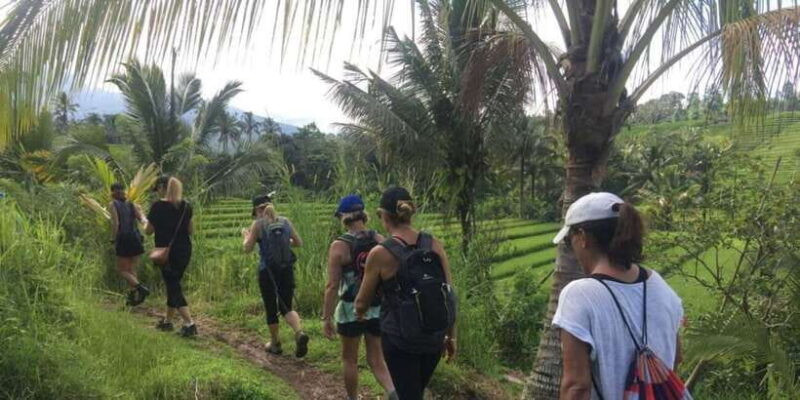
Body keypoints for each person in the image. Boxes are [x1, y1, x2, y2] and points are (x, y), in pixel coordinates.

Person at [552, 192, 685, 400]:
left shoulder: (579, 295)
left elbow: (576, 387)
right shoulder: (662, 288)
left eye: (570, 241)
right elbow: (676, 358)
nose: (573, 249)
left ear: (583, 238)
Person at [355, 187, 457, 400]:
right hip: (434, 335)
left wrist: (360, 312)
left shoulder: (381, 253)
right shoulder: (434, 245)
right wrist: (451, 335)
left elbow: (362, 301)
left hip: (400, 339)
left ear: (384, 216)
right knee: (414, 392)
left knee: (408, 394)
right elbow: (449, 294)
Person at [322, 194, 397, 400]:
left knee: (349, 360)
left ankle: (353, 398)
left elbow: (332, 285)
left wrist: (326, 317)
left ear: (343, 217)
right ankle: (394, 393)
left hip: (350, 310)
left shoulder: (339, 245)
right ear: (363, 215)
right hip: (376, 307)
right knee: (377, 359)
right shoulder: (380, 240)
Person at [242, 194, 310, 358]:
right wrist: (285, 242)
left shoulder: (257, 224)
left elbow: (247, 248)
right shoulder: (285, 222)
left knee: (271, 307)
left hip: (268, 271)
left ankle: (275, 343)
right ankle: (299, 332)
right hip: (286, 269)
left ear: (256, 210)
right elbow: (299, 243)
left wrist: (245, 235)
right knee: (287, 306)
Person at [146, 176, 197, 337]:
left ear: (162, 188)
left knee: (173, 285)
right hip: (184, 251)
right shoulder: (187, 206)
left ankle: (189, 324)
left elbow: (148, 231)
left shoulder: (157, 207)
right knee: (172, 283)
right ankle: (167, 322)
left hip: (166, 253)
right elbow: (190, 231)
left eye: (158, 189)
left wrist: (142, 218)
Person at [109, 182, 149, 306]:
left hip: (123, 238)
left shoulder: (113, 204)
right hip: (136, 238)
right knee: (131, 269)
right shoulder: (132, 204)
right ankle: (133, 298)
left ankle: (141, 289)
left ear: (113, 192)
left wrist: (112, 239)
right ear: (123, 191)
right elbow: (142, 219)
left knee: (122, 270)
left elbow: (116, 224)